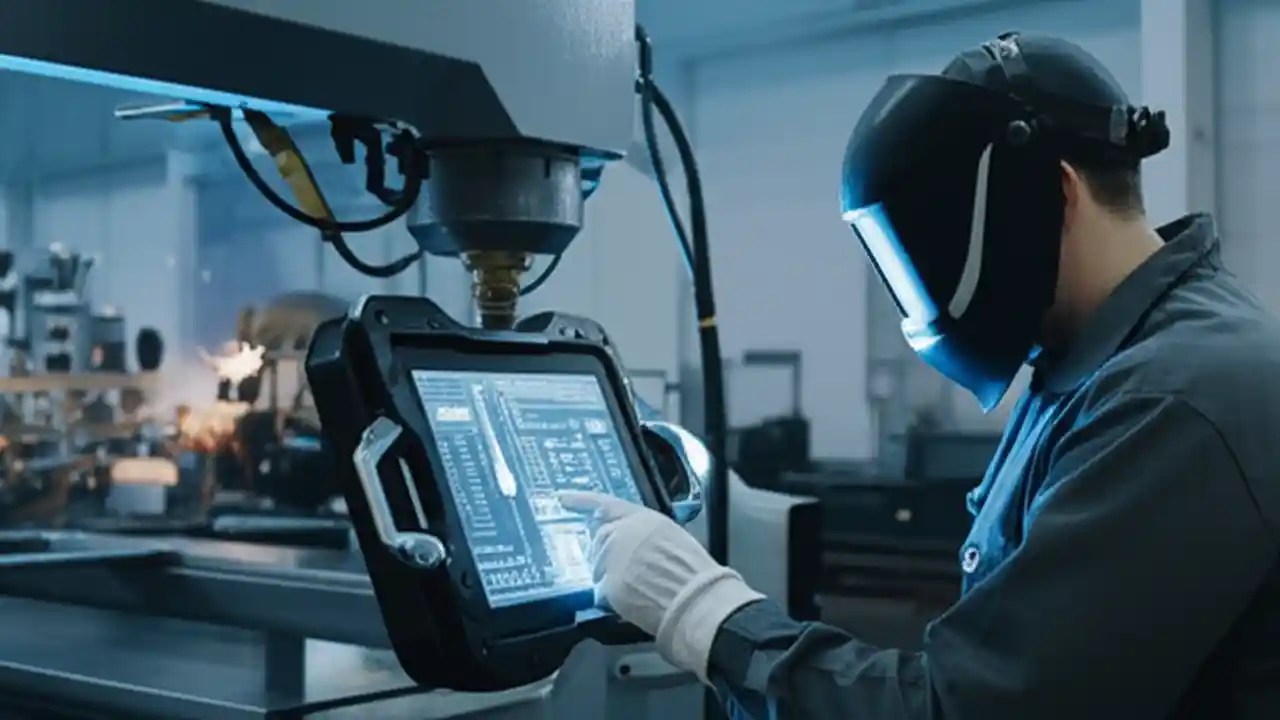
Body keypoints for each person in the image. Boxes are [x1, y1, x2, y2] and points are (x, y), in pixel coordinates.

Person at [558, 31, 1280, 718]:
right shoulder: (1095, 364)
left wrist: (704, 615)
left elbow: (968, 709)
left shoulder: (1175, 400)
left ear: (1056, 197)